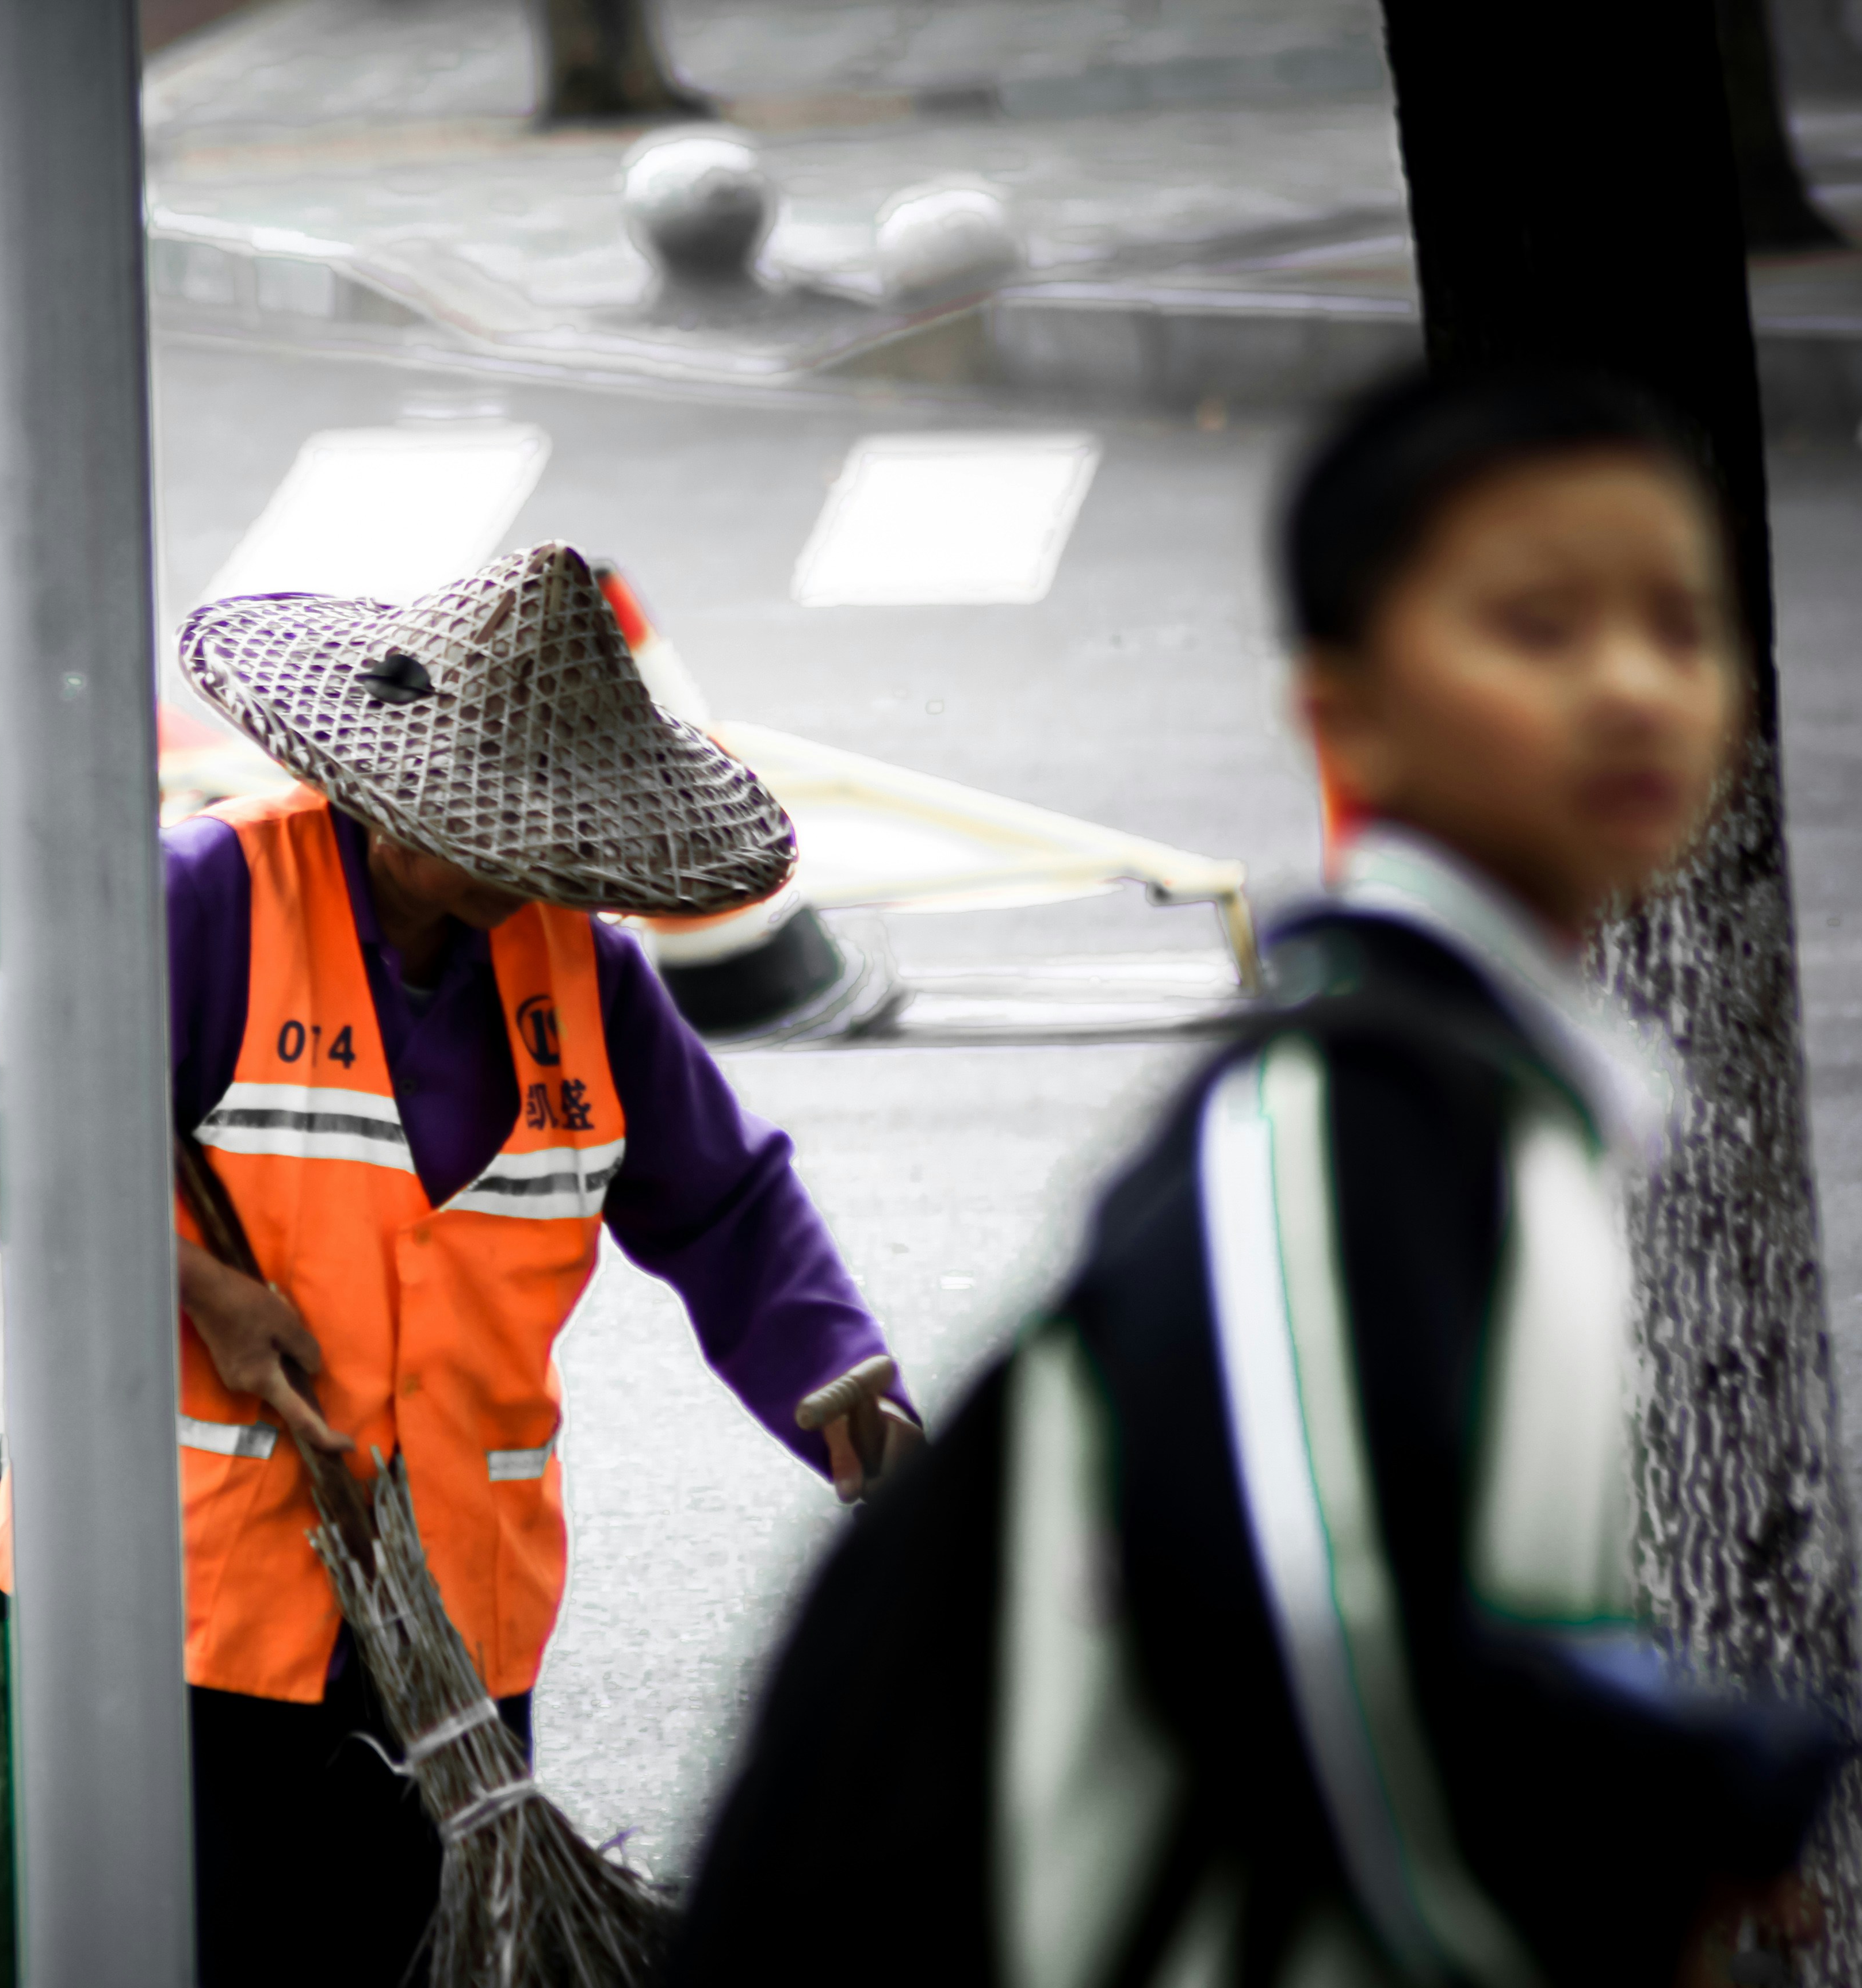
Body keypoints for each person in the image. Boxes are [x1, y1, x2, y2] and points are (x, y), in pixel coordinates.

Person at [667, 370, 1843, 1988]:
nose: (1635, 685)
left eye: (1685, 627)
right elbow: (1323, 1642)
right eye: (1540, 628)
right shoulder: (1351, 1110)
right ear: (1341, 711)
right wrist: (1655, 1844)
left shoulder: (1485, 1096)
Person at [0, 541, 917, 1987]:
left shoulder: (584, 971)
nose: (535, 862)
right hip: (181, 1616)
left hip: (456, 1616)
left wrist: (847, 1398)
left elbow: (726, 1204)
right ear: (393, 799)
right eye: (501, 826)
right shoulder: (211, 902)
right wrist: (204, 1291)